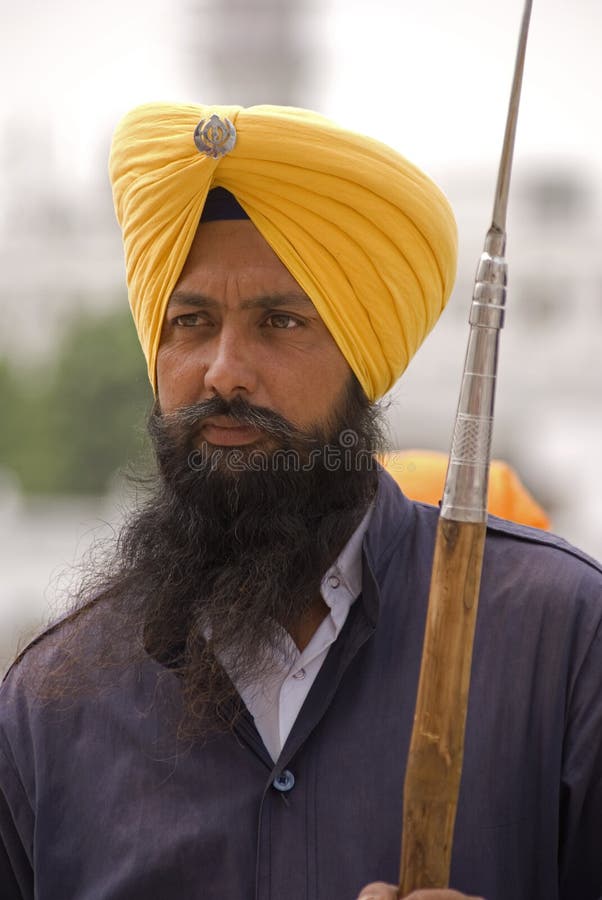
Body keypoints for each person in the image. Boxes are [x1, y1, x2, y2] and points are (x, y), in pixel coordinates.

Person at [0, 102, 600, 900]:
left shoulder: (562, 641)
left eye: (279, 322)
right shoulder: (51, 702)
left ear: (363, 362)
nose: (223, 371)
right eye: (191, 321)